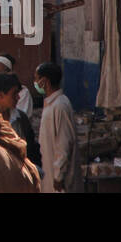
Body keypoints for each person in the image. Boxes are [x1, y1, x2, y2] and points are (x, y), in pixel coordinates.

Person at [0, 71, 41, 167]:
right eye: (14, 94)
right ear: (1, 95)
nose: (18, 97)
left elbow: (31, 151)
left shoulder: (22, 119)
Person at [35, 61, 81, 193]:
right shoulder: (52, 104)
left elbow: (63, 143)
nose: (35, 83)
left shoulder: (60, 106)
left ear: (45, 81)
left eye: (37, 79)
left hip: (58, 179)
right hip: (48, 170)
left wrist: (58, 176)